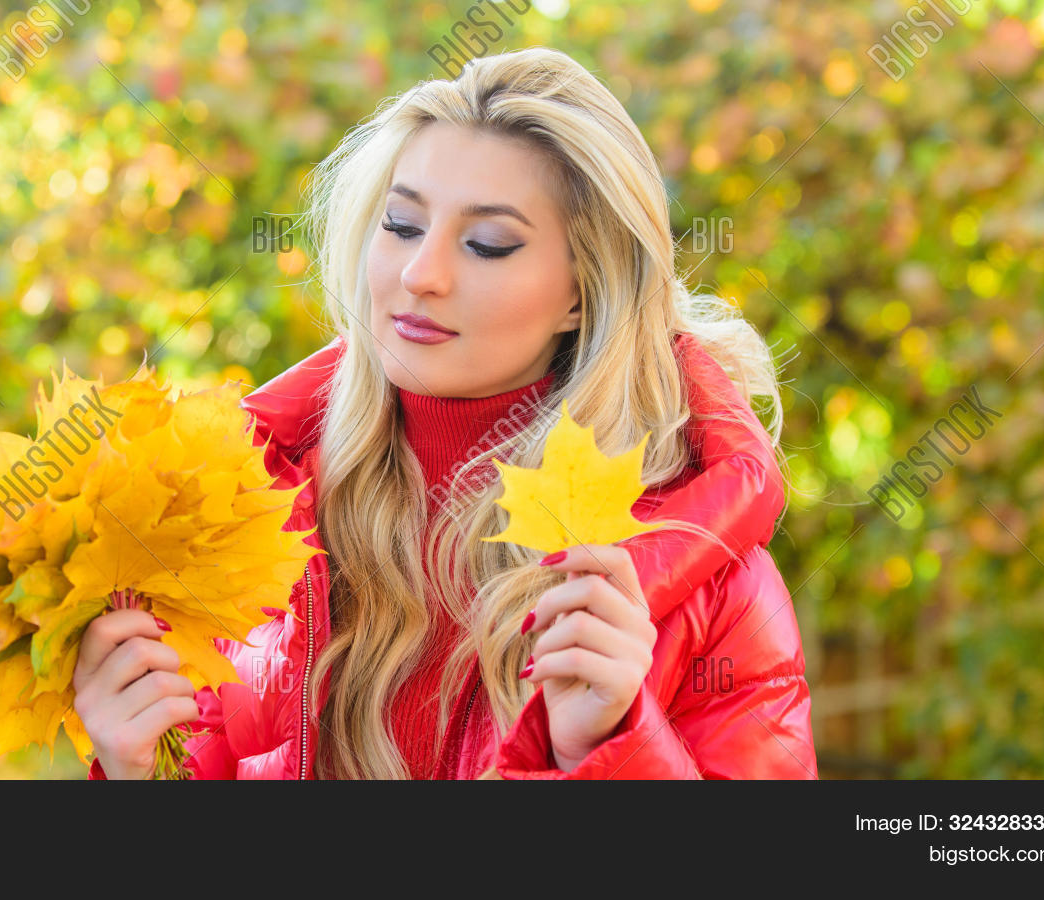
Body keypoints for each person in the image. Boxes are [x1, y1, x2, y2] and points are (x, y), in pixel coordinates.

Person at [72, 47, 816, 779]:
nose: (421, 274)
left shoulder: (702, 568)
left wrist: (607, 751)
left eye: (488, 244)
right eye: (401, 225)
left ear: (582, 294)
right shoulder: (242, 520)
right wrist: (133, 772)